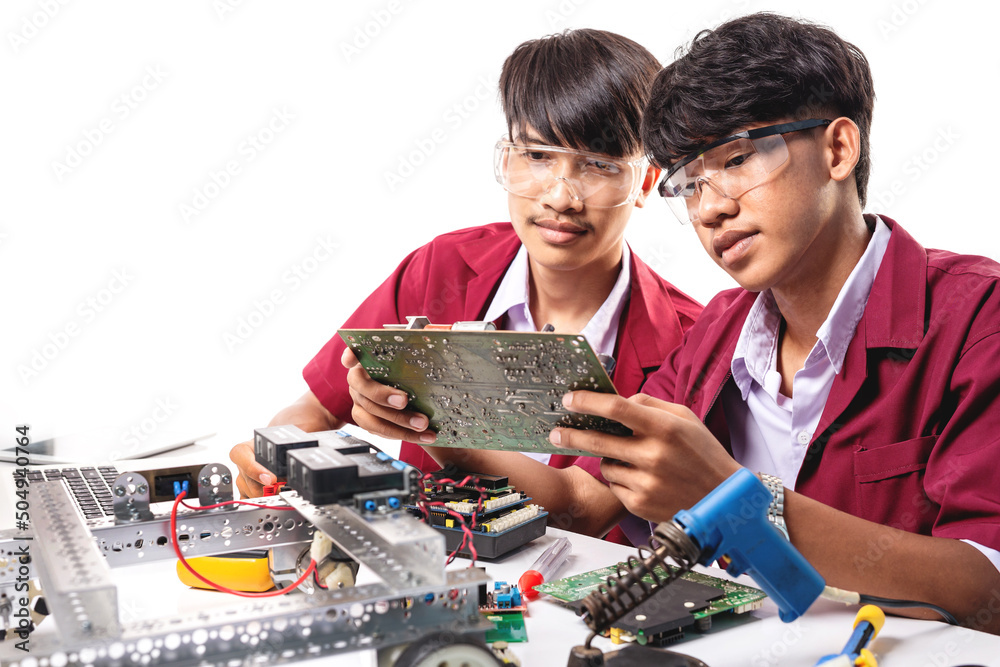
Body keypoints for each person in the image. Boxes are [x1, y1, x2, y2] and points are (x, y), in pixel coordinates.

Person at [545, 13, 1000, 631]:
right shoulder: (717, 332)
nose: (711, 207)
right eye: (690, 183)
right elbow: (585, 498)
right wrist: (440, 419)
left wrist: (735, 501)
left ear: (839, 149)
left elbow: (986, 588)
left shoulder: (978, 320)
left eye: (736, 159)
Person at [231, 29, 702, 543]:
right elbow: (318, 408)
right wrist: (276, 455)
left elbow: (579, 507)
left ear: (646, 183)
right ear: (506, 158)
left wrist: (431, 427)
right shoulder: (446, 267)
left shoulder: (689, 339)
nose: (561, 197)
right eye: (538, 155)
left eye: (598, 165)